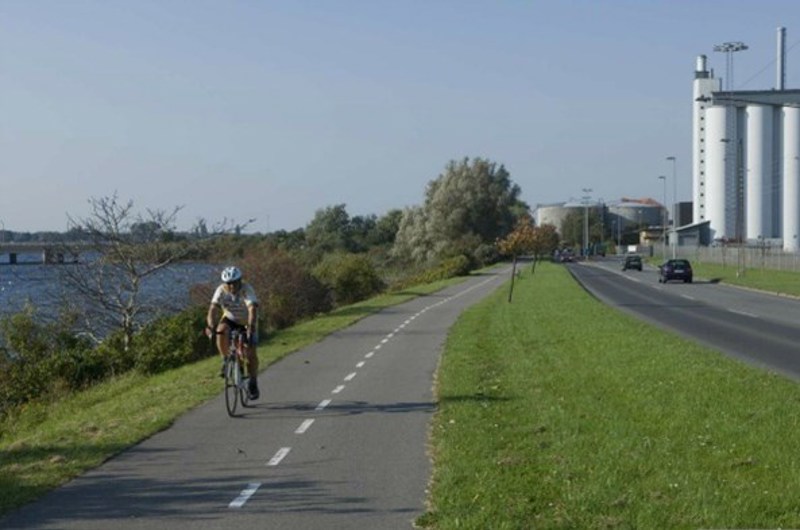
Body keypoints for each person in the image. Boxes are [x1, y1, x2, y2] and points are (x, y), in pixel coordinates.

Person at [206, 266, 260, 400]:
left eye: (234, 282)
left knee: (250, 353)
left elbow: (252, 308)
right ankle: (225, 360)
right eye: (228, 283)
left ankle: (253, 382)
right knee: (220, 330)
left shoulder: (246, 289)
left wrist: (251, 326)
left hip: (246, 320)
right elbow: (212, 309)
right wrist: (210, 325)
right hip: (230, 319)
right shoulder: (221, 290)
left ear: (240, 281)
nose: (231, 286)